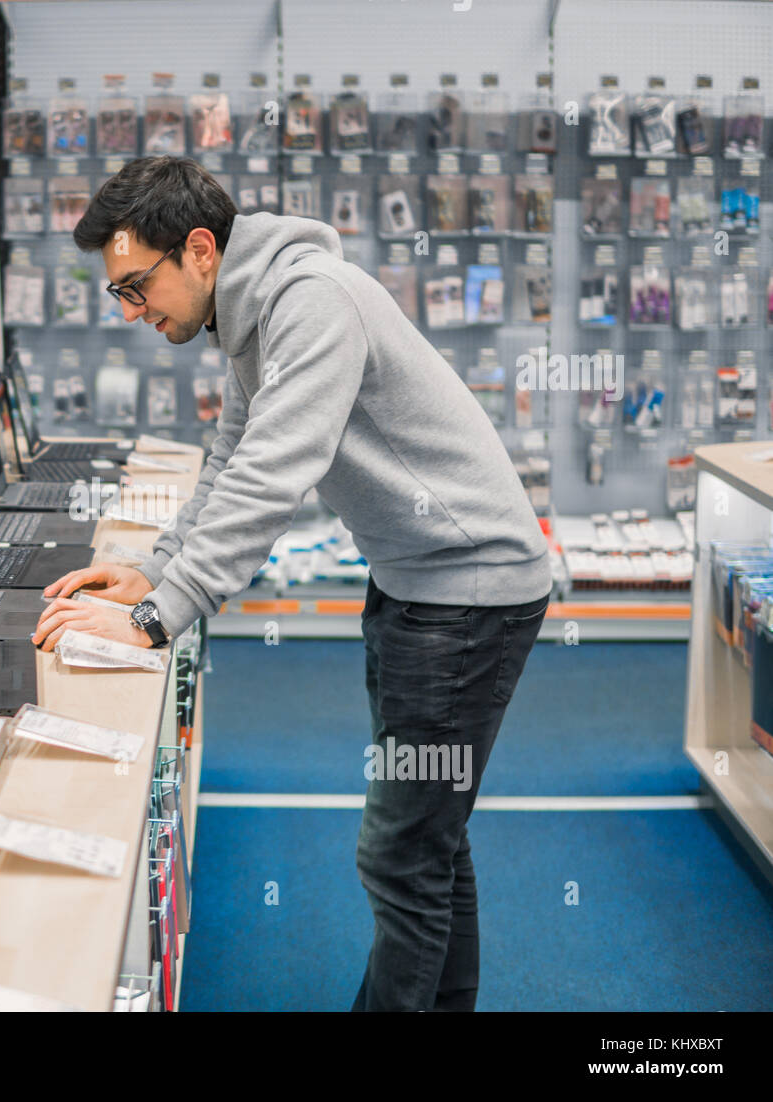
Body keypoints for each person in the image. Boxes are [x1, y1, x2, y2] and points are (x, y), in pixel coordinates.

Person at [31, 155, 551, 1012]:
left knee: (400, 852)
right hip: (418, 581)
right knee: (430, 838)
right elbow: (234, 458)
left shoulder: (310, 302)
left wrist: (158, 617)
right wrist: (156, 568)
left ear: (200, 250)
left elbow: (276, 472)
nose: (129, 311)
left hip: (467, 593)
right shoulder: (254, 317)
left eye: (135, 286)